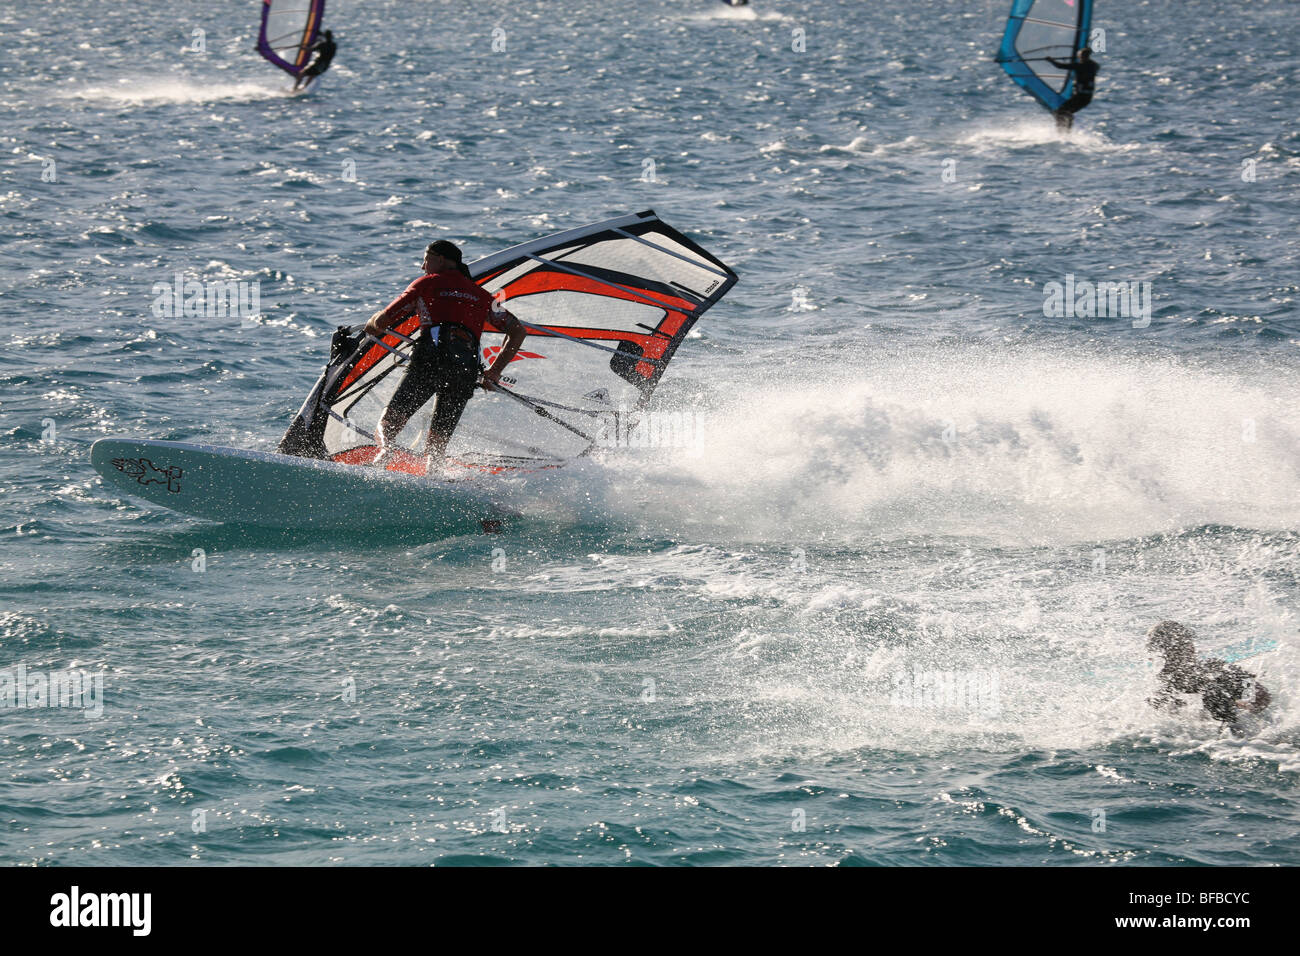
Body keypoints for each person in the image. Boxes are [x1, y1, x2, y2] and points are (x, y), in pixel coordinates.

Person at [364, 240, 527, 466]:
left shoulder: (426, 284)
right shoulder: (481, 295)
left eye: (425, 259)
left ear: (440, 259)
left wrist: (371, 322)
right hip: (464, 370)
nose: (423, 266)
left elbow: (382, 321)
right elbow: (517, 331)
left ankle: (386, 450)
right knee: (437, 444)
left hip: (430, 360)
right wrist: (494, 372)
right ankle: (434, 477)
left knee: (389, 422)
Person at [1145, 621, 1271, 735]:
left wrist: (1242, 704)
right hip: (1243, 729)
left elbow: (1260, 696)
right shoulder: (1214, 668)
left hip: (1238, 729)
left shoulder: (1215, 671)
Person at [1046, 46, 1098, 131]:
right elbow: (1087, 67)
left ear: (1082, 56)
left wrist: (1050, 60)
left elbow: (1060, 66)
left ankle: (1063, 131)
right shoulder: (1094, 66)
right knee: (1065, 112)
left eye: (1080, 55)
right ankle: (1066, 131)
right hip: (1087, 97)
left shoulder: (1079, 66)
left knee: (1060, 112)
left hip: (1080, 97)